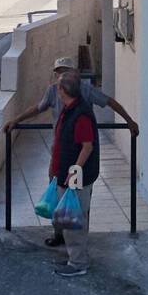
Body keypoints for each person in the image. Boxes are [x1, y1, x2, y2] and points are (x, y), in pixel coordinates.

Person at [5, 56, 138, 248]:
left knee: (79, 197)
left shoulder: (84, 94)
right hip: (60, 153)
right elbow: (38, 108)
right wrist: (16, 120)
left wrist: (129, 121)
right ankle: (60, 234)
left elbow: (109, 103)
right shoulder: (53, 91)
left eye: (65, 71)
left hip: (79, 158)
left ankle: (77, 243)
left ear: (74, 73)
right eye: (59, 72)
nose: (61, 75)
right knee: (58, 193)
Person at [49, 72, 98, 278]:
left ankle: (78, 263)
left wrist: (74, 171)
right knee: (69, 219)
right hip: (67, 172)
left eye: (58, 86)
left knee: (72, 220)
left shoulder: (80, 114)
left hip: (76, 175)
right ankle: (76, 257)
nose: (56, 89)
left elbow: (87, 147)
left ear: (63, 90)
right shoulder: (71, 110)